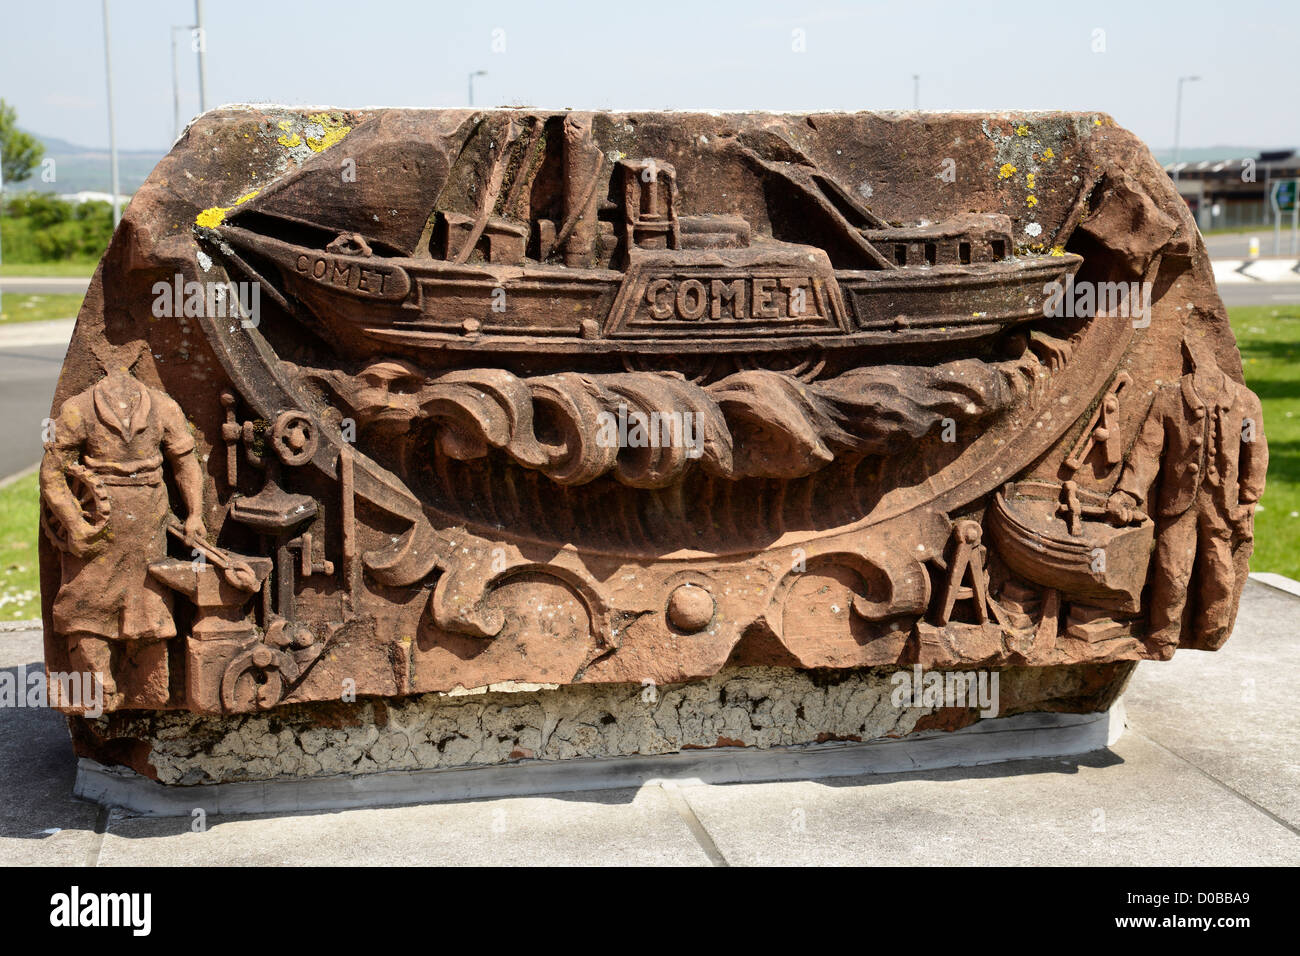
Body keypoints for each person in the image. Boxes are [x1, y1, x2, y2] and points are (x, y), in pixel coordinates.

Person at [41, 364, 206, 710]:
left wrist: (194, 515)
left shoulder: (163, 406)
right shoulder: (79, 408)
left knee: (149, 605)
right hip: (96, 531)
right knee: (84, 604)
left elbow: (185, 462)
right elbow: (52, 474)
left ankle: (147, 691)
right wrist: (75, 524)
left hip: (149, 521)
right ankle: (96, 689)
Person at [1107, 336, 1266, 651]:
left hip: (1223, 507)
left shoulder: (1245, 402)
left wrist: (1248, 498)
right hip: (1177, 505)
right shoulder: (1168, 399)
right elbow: (1148, 451)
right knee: (1172, 569)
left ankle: (1211, 631)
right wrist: (1129, 493)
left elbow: (1254, 449)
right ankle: (1164, 634)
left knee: (1220, 574)